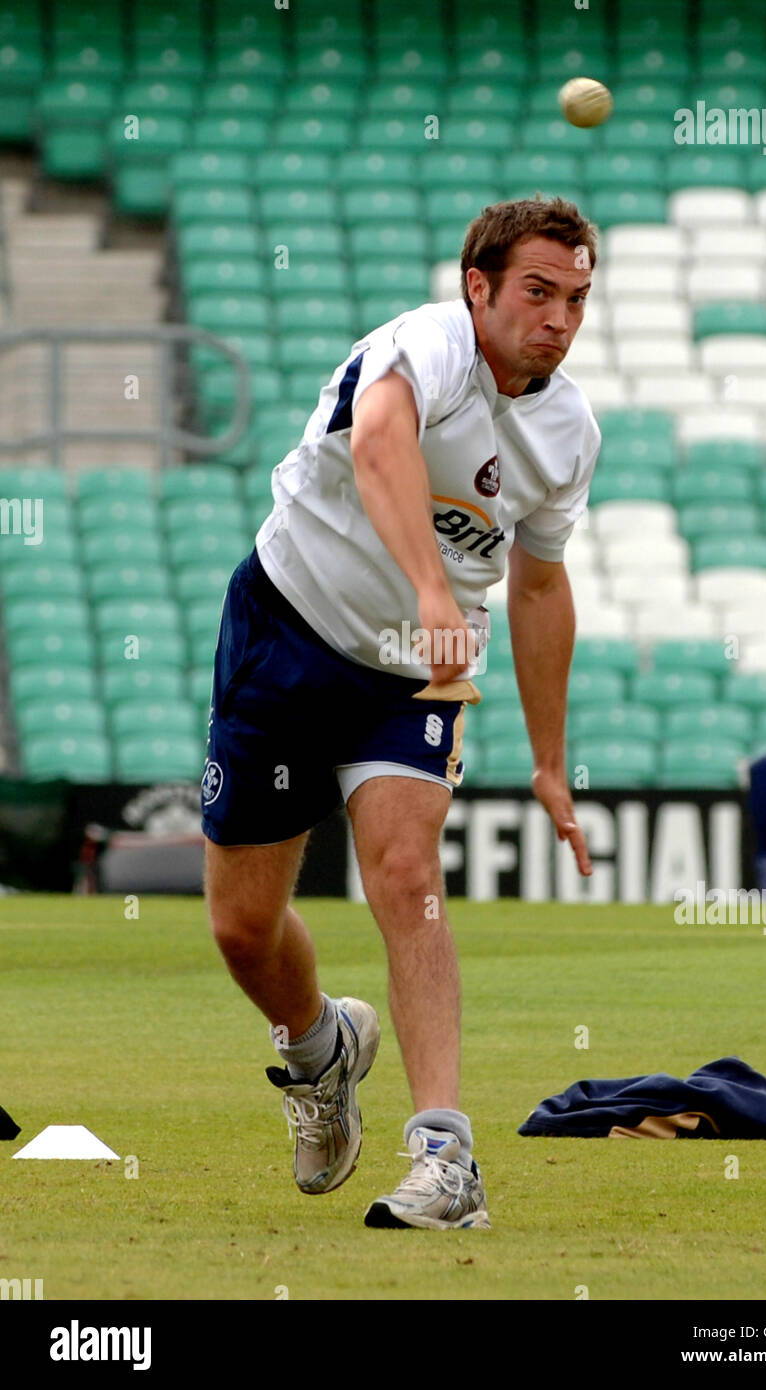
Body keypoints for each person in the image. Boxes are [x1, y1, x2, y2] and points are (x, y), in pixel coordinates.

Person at [201, 196, 601, 1230]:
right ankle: (318, 1047)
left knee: (405, 871)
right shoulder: (424, 342)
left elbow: (540, 588)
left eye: (575, 299)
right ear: (478, 287)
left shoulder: (566, 431)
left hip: (405, 678)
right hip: (285, 628)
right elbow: (380, 442)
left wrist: (550, 763)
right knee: (242, 927)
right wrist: (430, 585)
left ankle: (442, 1157)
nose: (558, 319)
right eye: (537, 293)